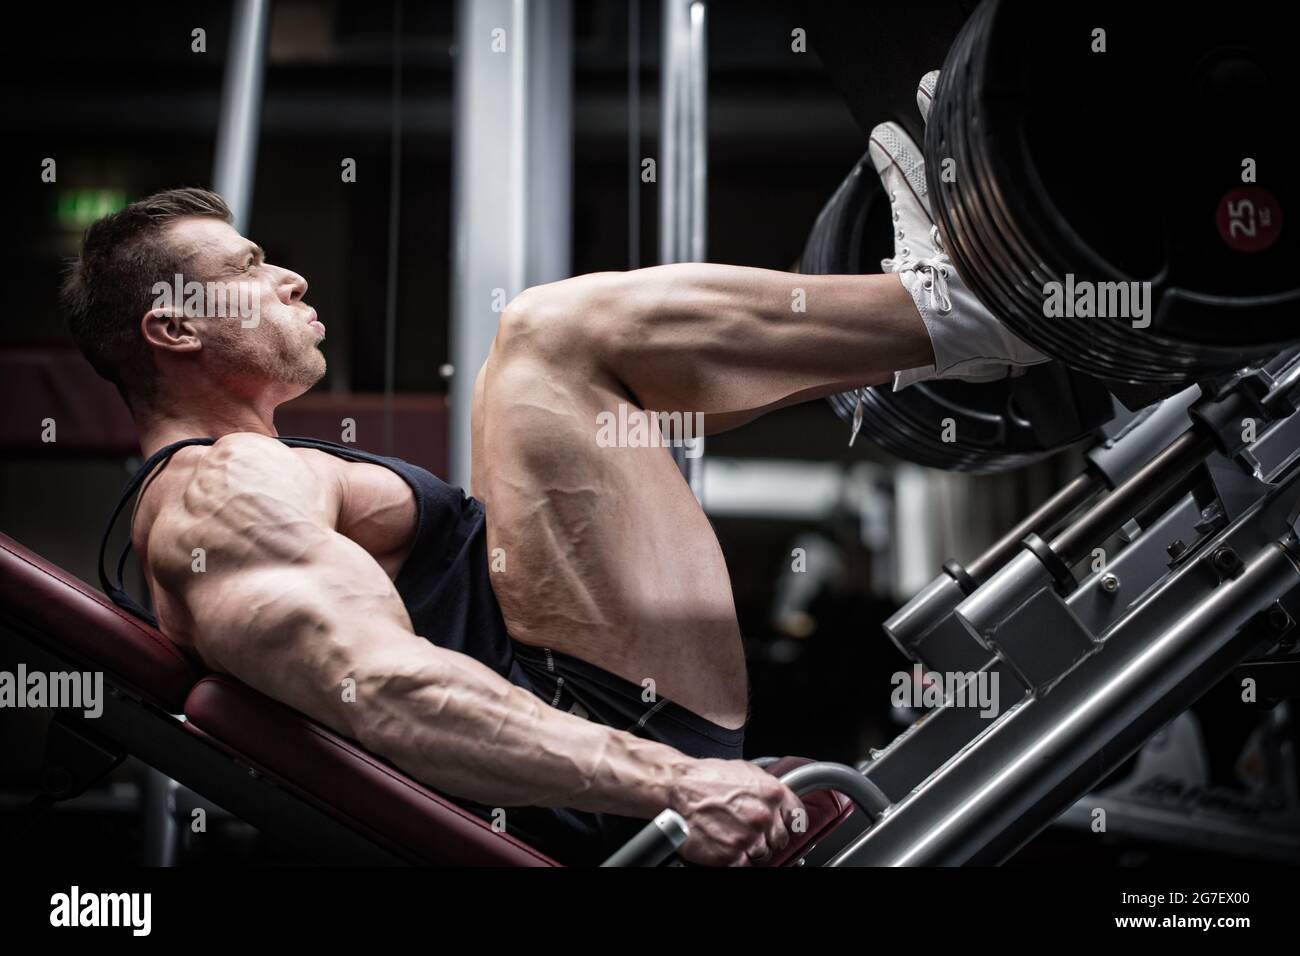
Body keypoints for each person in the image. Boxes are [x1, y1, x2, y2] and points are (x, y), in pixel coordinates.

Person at [66, 74, 1042, 866]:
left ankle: (918, 338)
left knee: (585, 378)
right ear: (174, 325)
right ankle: (956, 317)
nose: (290, 276)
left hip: (594, 734)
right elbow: (382, 685)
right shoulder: (213, 500)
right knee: (548, 334)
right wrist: (671, 782)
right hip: (599, 781)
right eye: (245, 268)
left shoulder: (244, 477)